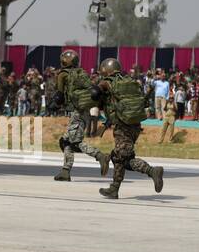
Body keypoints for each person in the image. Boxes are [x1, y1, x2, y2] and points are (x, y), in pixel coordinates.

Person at [96, 58, 165, 198]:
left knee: (123, 158)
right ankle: (114, 188)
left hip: (123, 126)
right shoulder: (128, 82)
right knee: (120, 157)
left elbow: (94, 93)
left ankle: (152, 171)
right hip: (135, 124)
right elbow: (119, 105)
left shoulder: (108, 83)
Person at [52, 49, 110, 182]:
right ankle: (65, 171)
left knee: (75, 142)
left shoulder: (63, 74)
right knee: (66, 141)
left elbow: (59, 95)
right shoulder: (82, 72)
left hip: (76, 111)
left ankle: (100, 156)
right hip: (85, 110)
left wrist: (54, 104)